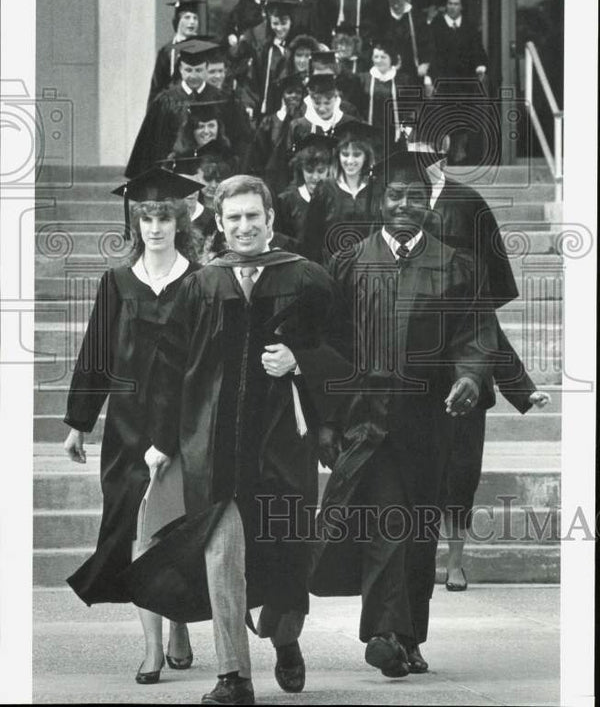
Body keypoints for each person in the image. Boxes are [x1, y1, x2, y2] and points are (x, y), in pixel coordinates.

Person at [123, 175, 351, 705]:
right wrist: (163, 440)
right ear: (219, 224)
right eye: (234, 218)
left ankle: (286, 640)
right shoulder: (203, 285)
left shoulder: (308, 278)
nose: (244, 226)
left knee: (287, 555)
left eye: (253, 216)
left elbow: (347, 353)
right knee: (221, 555)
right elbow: (170, 366)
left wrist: (302, 360)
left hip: (281, 446)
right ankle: (233, 675)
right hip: (214, 445)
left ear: (270, 219)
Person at [310, 148, 496, 678]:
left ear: (428, 203)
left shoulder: (457, 265)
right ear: (378, 199)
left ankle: (410, 636)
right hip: (367, 417)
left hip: (430, 419)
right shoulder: (350, 263)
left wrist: (469, 376)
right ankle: (386, 633)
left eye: (416, 196)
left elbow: (475, 336)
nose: (405, 205)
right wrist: (325, 419)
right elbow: (328, 346)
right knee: (388, 521)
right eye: (395, 195)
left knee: (418, 529)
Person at [62, 168, 202, 683]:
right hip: (127, 428)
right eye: (147, 218)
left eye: (165, 217)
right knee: (135, 532)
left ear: (179, 222)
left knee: (174, 532)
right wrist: (80, 420)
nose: (156, 227)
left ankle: (179, 623)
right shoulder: (118, 283)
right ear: (136, 224)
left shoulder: (200, 282)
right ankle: (152, 648)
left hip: (185, 428)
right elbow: (96, 352)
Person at [410, 139, 551, 589]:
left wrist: (523, 389)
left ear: (444, 157)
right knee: (420, 474)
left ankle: (455, 561)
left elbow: (491, 339)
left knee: (462, 469)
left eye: (428, 154)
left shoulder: (466, 201)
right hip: (417, 367)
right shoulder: (398, 200)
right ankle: (418, 558)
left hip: (463, 366)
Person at [127, 39, 251, 179]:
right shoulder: (165, 100)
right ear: (180, 69)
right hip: (175, 173)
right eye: (188, 70)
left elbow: (239, 138)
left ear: (206, 69)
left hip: (214, 174)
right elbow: (152, 143)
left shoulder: (222, 99)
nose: (193, 75)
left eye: (198, 70)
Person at [420, 0, 490, 164]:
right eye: (450, 4)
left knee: (462, 118)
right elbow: (429, 54)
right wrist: (428, 80)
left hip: (464, 83)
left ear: (461, 6)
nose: (452, 7)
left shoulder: (469, 26)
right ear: (446, 5)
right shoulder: (435, 25)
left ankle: (458, 154)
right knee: (442, 119)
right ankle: (443, 157)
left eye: (456, 4)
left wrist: (481, 67)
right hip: (441, 82)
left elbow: (477, 50)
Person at [301, 120, 376, 264]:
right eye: (345, 154)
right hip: (332, 270)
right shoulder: (325, 189)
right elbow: (311, 238)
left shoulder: (375, 189)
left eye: (356, 154)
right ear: (338, 155)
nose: (350, 160)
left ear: (365, 156)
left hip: (366, 270)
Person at [244, 73, 307, 199]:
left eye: (298, 92)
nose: (294, 96)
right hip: (274, 181)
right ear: (282, 95)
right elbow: (257, 156)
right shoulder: (269, 122)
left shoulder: (306, 121)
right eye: (289, 92)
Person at [355, 38, 415, 147]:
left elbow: (410, 107)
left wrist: (407, 130)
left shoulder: (403, 79)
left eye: (383, 57)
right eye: (376, 57)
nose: (379, 60)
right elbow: (358, 105)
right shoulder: (363, 78)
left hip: (395, 133)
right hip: (370, 130)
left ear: (391, 59)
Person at [276, 133, 335, 243]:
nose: (315, 177)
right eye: (309, 171)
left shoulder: (335, 198)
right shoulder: (287, 201)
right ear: (301, 169)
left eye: (321, 171)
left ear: (329, 170)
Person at [149, 0, 201, 102]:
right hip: (174, 106)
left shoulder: (204, 47)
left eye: (195, 18)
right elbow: (157, 87)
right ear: (177, 21)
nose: (192, 22)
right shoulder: (167, 51)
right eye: (187, 17)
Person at [288, 74, 357, 148]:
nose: (322, 109)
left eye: (327, 103)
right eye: (317, 103)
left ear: (336, 99)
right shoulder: (298, 126)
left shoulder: (350, 124)